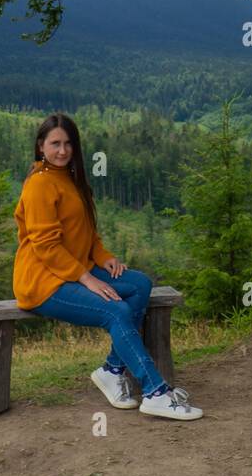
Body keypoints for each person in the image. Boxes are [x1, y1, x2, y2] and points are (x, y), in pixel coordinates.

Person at [12, 112, 202, 421]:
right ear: (40, 146)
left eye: (68, 143)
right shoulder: (39, 185)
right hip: (43, 282)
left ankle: (112, 371)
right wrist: (88, 279)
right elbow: (46, 246)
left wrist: (104, 258)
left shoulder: (71, 179)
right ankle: (155, 391)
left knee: (139, 284)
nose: (63, 151)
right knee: (116, 310)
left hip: (75, 269)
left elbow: (87, 233)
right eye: (55, 144)